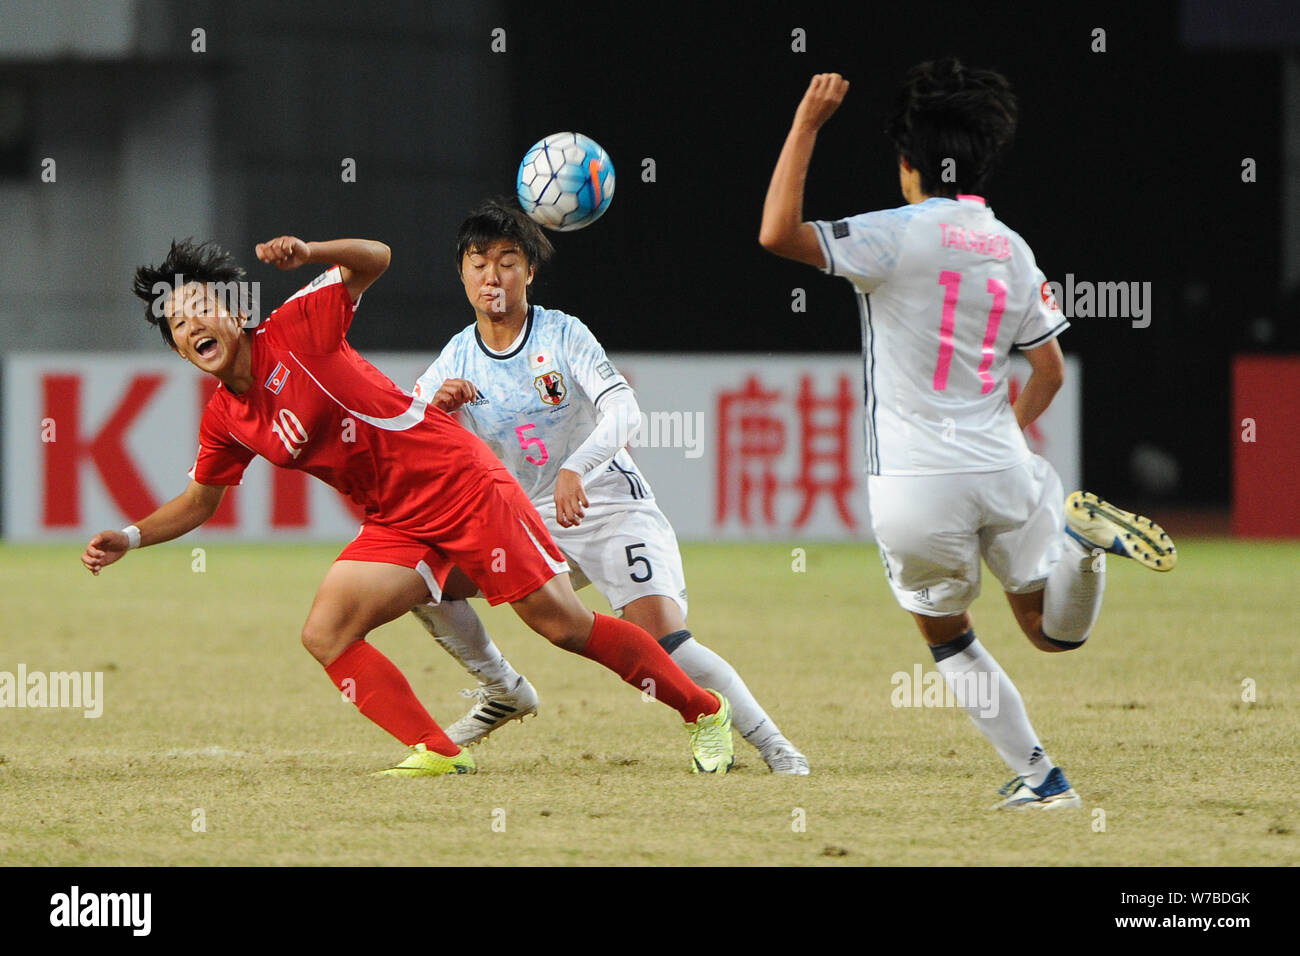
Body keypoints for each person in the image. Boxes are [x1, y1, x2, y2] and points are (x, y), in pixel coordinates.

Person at [81, 234, 736, 776]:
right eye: (176, 323)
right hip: (397, 520)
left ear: (236, 310)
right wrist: (130, 537)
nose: (191, 322)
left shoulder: (299, 328)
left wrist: (311, 252)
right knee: (326, 631)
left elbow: (375, 258)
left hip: (462, 485)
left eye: (200, 307)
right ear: (174, 349)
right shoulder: (227, 416)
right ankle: (439, 751)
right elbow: (200, 500)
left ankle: (703, 710)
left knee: (563, 626)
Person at [759, 61, 1176, 808]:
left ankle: (1047, 782)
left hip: (916, 484)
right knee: (1053, 633)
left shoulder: (892, 237)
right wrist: (1007, 435)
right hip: (1003, 470)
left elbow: (776, 234)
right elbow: (1048, 371)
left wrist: (806, 125)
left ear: (908, 161)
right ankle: (1081, 549)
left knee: (947, 635)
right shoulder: (1010, 247)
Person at [408, 200, 809, 774]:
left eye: (507, 261)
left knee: (669, 645)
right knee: (426, 578)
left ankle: (775, 748)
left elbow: (623, 408)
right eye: (478, 262)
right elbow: (406, 436)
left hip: (607, 505)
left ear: (530, 273)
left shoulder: (562, 333)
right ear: (461, 273)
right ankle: (504, 690)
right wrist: (435, 412)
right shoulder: (456, 357)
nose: (491, 275)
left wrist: (579, 467)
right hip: (526, 520)